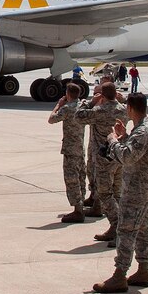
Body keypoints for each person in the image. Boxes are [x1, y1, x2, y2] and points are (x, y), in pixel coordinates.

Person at [93, 92, 148, 293]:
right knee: (142, 229)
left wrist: (113, 140)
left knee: (125, 231)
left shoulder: (143, 132)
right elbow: (138, 151)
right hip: (145, 187)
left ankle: (120, 274)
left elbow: (127, 156)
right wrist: (125, 137)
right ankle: (143, 269)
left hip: (136, 188)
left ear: (130, 109)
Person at [76, 82, 128, 246]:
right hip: (119, 156)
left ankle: (116, 225)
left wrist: (90, 102)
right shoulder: (123, 110)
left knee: (105, 194)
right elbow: (125, 104)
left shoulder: (99, 110)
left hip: (104, 157)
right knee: (117, 193)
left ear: (103, 96)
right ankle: (122, 227)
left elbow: (79, 116)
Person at [48, 82, 88, 223]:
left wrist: (58, 105)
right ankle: (81, 205)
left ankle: (78, 210)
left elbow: (51, 119)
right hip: (80, 148)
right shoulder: (82, 106)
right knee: (80, 177)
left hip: (70, 149)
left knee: (71, 179)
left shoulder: (67, 108)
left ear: (67, 94)